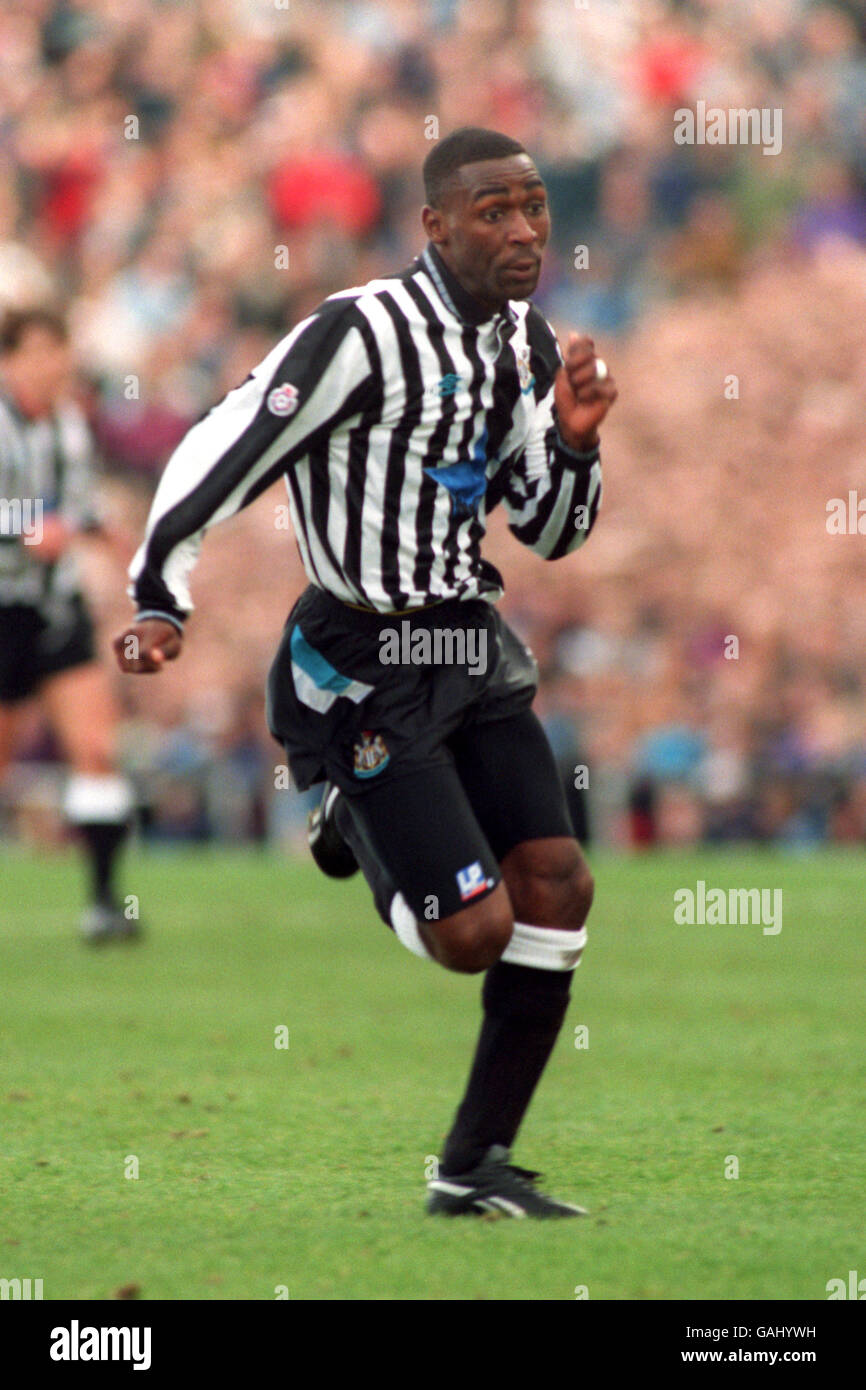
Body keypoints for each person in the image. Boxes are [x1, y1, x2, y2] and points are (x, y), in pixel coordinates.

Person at [114, 127, 618, 1217]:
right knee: (471, 938)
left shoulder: (524, 343)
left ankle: (471, 1166)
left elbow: (546, 525)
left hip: (466, 644)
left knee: (558, 884)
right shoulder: (359, 332)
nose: (524, 228)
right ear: (433, 224)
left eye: (532, 206)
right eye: (493, 210)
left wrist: (574, 443)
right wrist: (161, 589)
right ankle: (347, 804)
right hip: (357, 658)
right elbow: (226, 440)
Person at [0, 308, 138, 941]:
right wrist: (25, 524)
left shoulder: (71, 425)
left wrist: (101, 528)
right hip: (4, 610)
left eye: (60, 352)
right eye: (40, 353)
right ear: (10, 360)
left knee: (96, 748)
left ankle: (105, 904)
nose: (55, 366)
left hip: (55, 609)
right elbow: (26, 516)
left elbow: (74, 508)